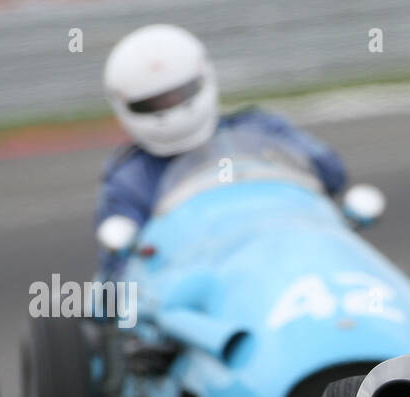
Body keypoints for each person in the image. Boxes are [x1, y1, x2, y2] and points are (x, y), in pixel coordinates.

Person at [96, 24, 345, 277]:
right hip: (204, 288)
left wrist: (287, 167)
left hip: (294, 257)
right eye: (151, 103)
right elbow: (120, 271)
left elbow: (332, 172)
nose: (168, 108)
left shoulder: (260, 129)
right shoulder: (131, 177)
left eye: (177, 95)